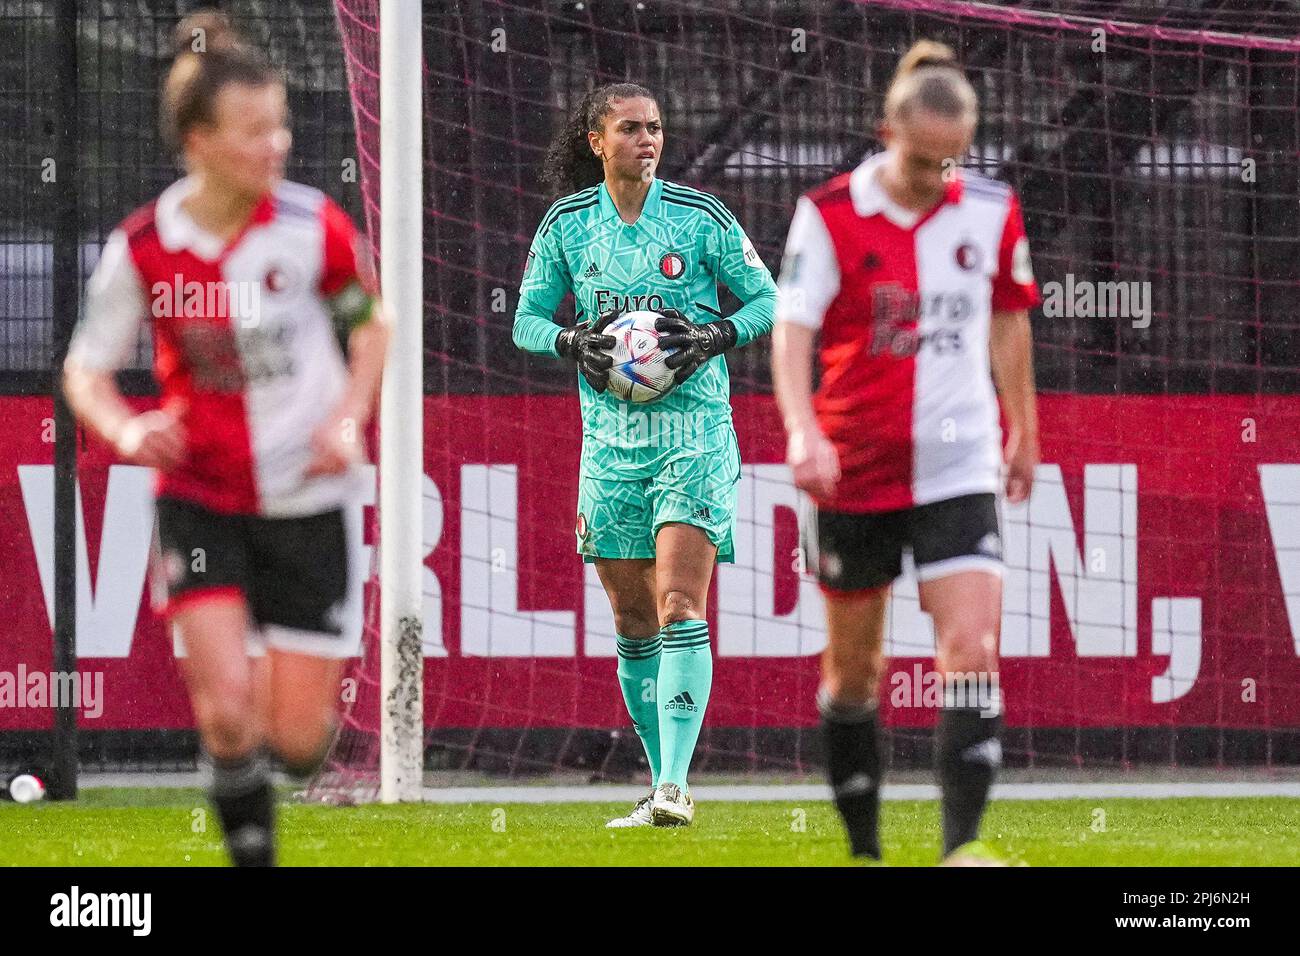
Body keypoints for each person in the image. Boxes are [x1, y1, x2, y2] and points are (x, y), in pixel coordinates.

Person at [62, 10, 389, 866]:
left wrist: (349, 415)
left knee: (298, 742)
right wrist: (127, 427)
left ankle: (272, 778)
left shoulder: (313, 227)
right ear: (199, 142)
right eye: (254, 132)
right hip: (200, 496)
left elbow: (370, 326)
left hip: (308, 497)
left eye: (279, 126)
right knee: (225, 714)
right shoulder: (144, 248)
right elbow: (86, 371)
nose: (276, 145)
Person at [772, 40, 1041, 864]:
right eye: (922, 160)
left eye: (950, 162)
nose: (936, 178)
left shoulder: (991, 209)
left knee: (973, 649)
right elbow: (792, 332)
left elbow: (1006, 316)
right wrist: (802, 429)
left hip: (959, 466)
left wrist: (1024, 424)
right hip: (853, 469)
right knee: (855, 674)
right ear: (884, 127)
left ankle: (961, 849)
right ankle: (865, 853)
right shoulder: (829, 213)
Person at [514, 83, 776, 827]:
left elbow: (766, 300)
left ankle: (673, 788)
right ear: (597, 140)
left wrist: (714, 336)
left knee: (678, 603)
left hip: (694, 433)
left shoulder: (700, 219)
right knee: (633, 619)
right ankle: (658, 780)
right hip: (609, 446)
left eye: (656, 127)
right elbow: (526, 321)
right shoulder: (567, 226)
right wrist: (569, 341)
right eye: (630, 128)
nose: (647, 139)